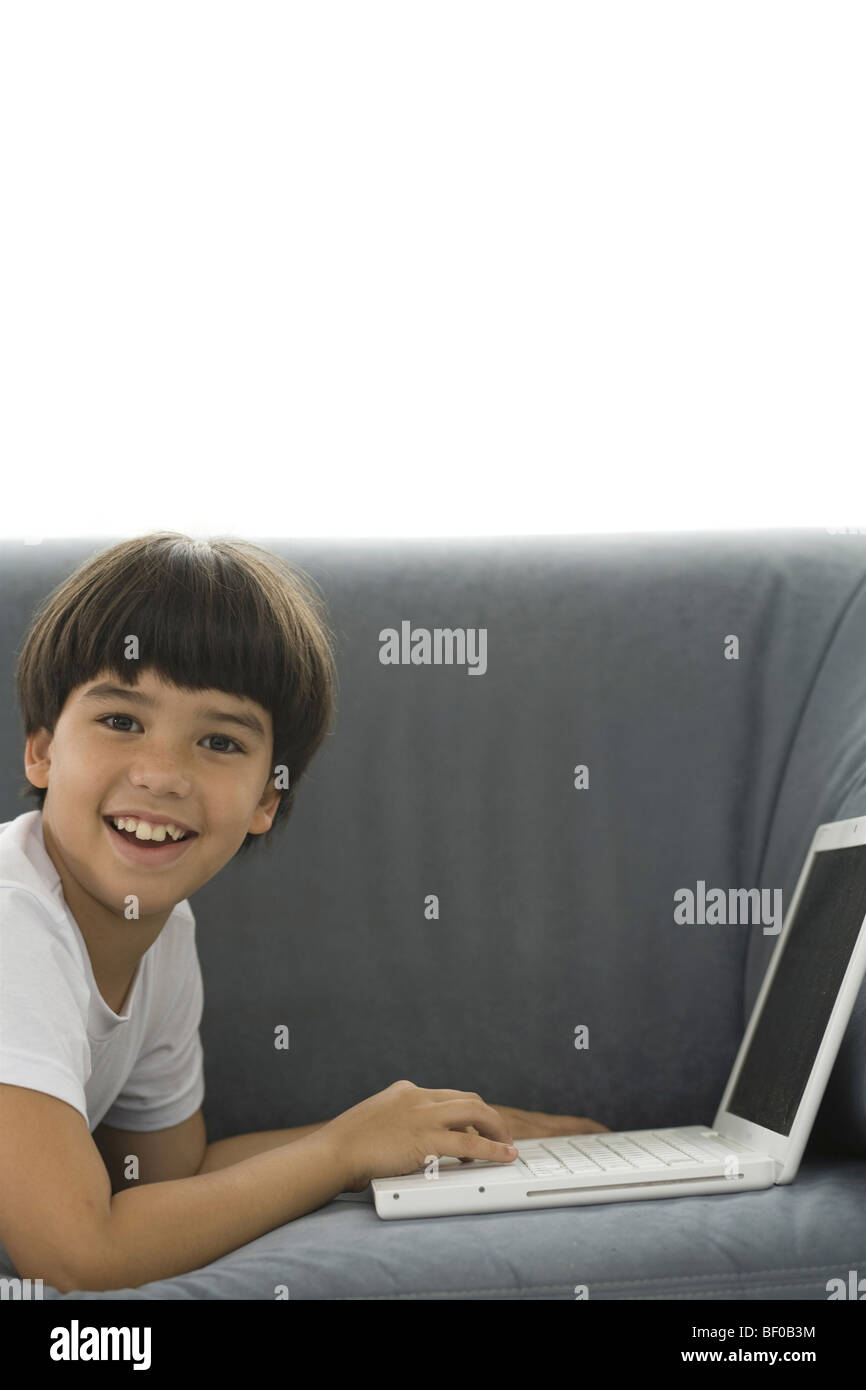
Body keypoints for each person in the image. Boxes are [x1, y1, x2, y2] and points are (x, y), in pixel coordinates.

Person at [0, 531, 607, 1292]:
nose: (161, 774)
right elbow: (77, 1254)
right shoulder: (13, 926)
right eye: (122, 721)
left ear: (266, 798)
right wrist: (339, 1153)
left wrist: (406, 1132)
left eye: (219, 740)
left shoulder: (160, 931)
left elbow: (159, 1180)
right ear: (42, 751)